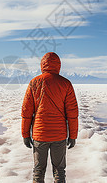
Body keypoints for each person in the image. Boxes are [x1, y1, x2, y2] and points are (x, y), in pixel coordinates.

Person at [21, 52, 79, 183]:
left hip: (40, 135)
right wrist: (73, 136)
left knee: (38, 171)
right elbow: (72, 114)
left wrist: (25, 134)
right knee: (59, 170)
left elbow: (26, 112)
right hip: (59, 136)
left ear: (42, 65)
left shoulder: (34, 83)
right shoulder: (66, 84)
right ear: (58, 65)